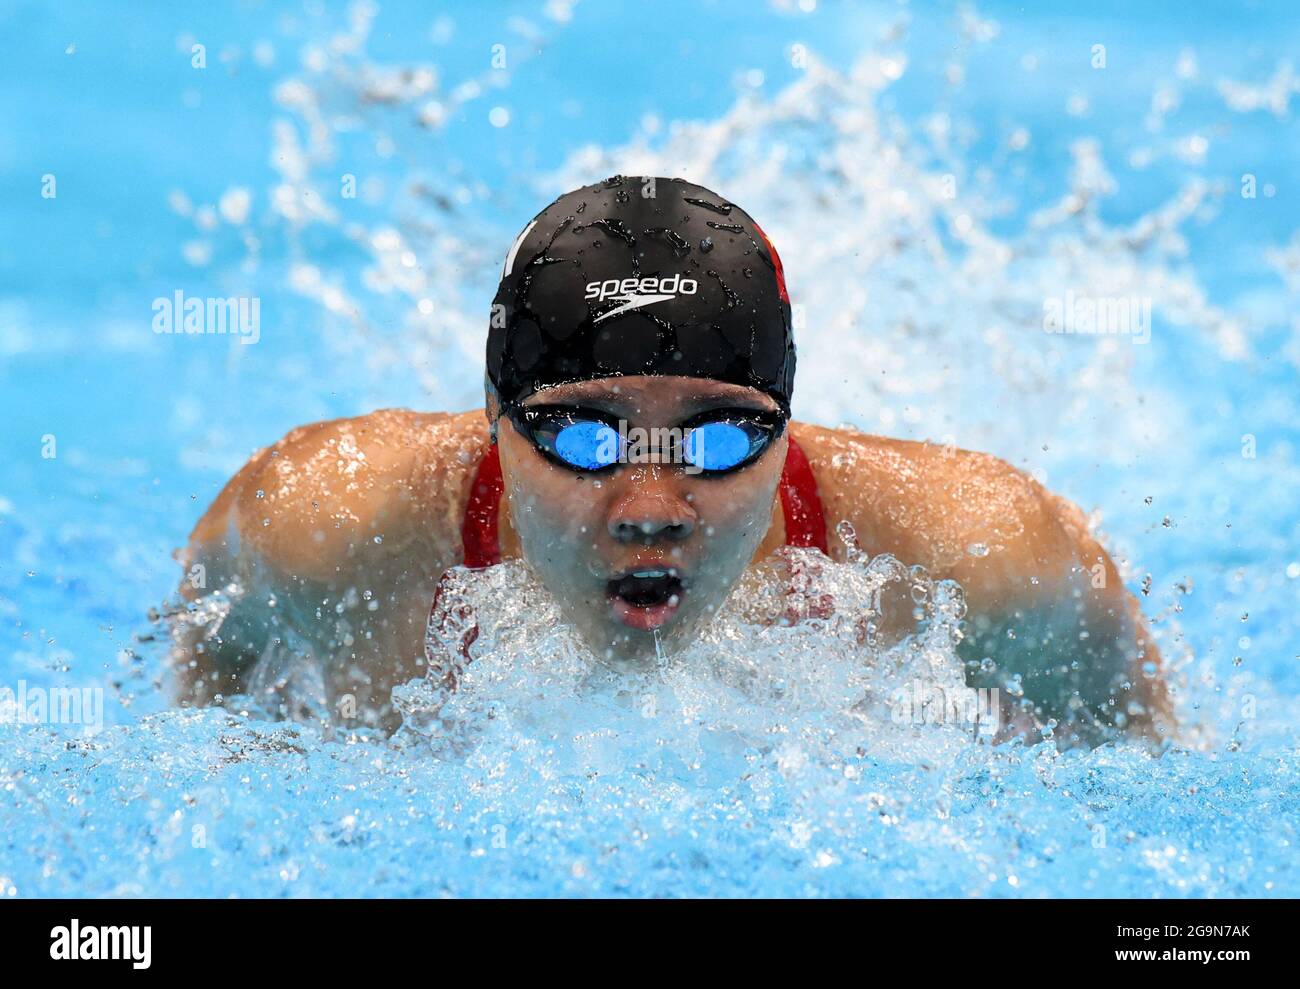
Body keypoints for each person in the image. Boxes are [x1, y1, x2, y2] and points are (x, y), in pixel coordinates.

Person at [173, 176, 1172, 746]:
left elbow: (1142, 778)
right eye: (581, 435)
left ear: (788, 424)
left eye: (720, 436)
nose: (650, 506)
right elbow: (199, 698)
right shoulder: (324, 521)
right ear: (490, 418)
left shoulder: (983, 550)